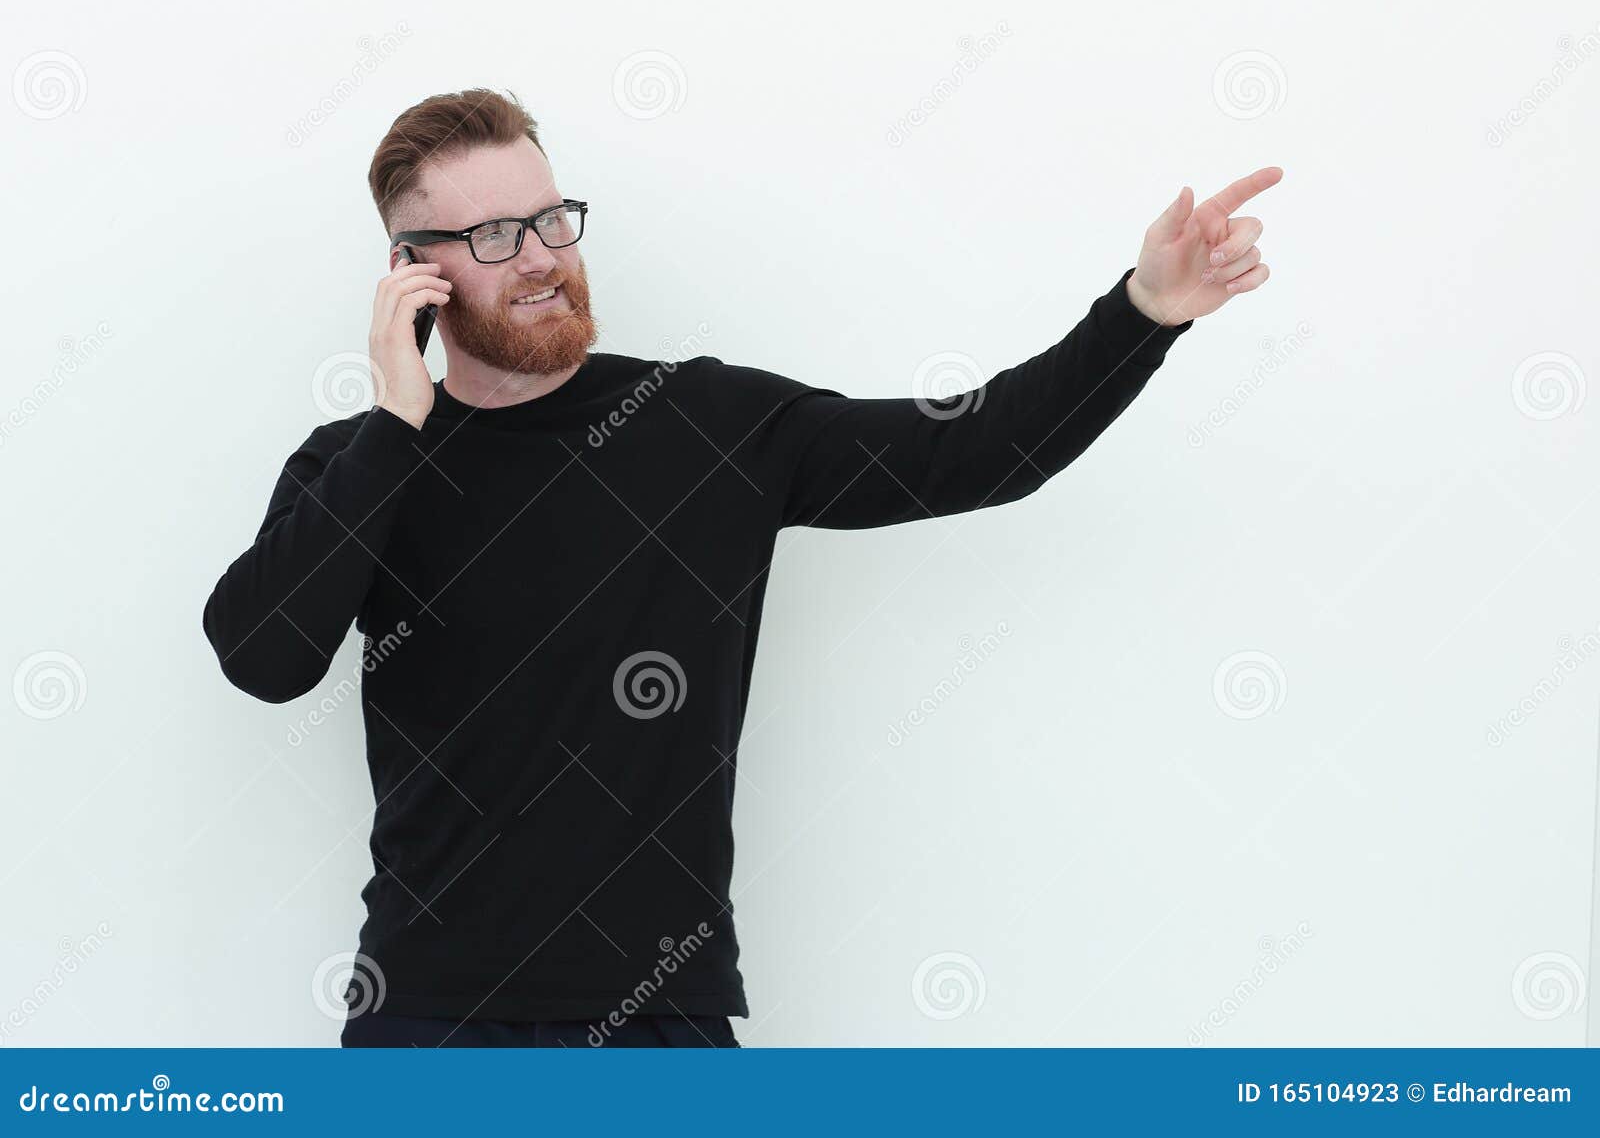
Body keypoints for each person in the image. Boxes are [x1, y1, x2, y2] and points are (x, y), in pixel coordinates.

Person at [202, 87, 1279, 1048]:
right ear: (413, 274)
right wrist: (399, 422)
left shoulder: (707, 424)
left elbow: (981, 447)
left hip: (660, 1020)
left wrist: (1140, 313)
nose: (540, 255)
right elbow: (262, 655)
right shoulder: (360, 463)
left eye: (550, 218)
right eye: (493, 235)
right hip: (427, 1021)